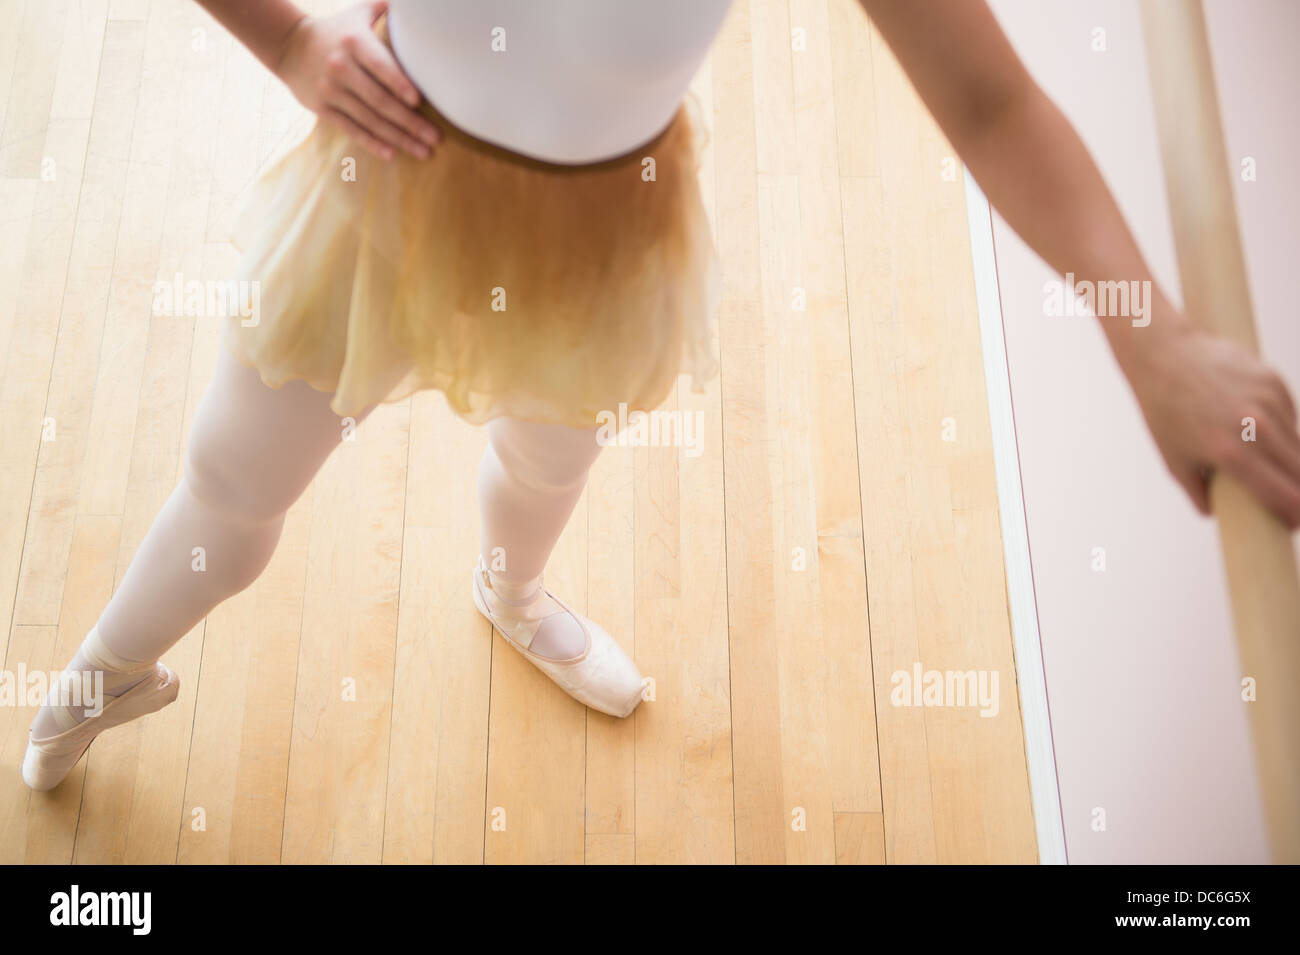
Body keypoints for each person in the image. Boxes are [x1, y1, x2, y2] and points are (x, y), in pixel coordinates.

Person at [23, 0, 1300, 791]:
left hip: (601, 246)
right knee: (229, 488)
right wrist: (291, 37)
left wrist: (1156, 339)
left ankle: (509, 593)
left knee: (547, 464)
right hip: (384, 185)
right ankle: (100, 674)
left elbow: (990, 97)